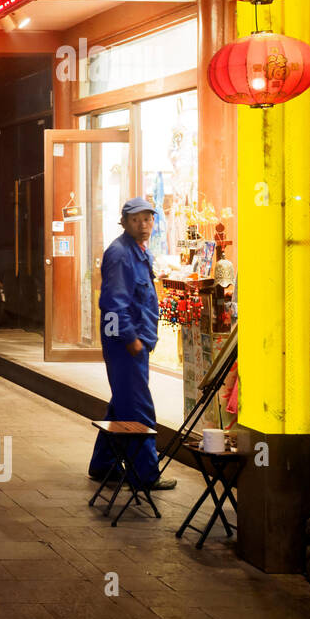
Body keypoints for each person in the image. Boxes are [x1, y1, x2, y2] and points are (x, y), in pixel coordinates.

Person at [88, 197, 176, 490]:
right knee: (138, 410)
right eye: (136, 219)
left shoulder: (140, 252)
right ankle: (145, 475)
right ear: (124, 222)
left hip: (136, 342)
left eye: (148, 219)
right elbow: (112, 303)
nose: (143, 225)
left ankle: (103, 464)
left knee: (122, 404)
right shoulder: (120, 253)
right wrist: (130, 340)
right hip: (126, 345)